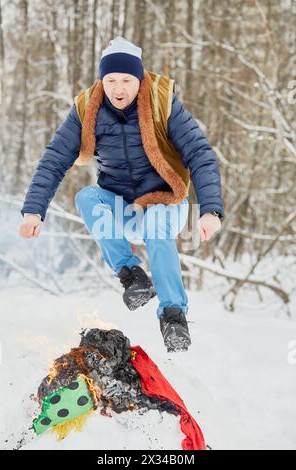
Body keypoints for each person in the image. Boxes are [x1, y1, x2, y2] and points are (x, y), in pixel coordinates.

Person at [20, 36, 223, 353]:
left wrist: (210, 210)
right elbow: (55, 159)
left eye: (127, 80)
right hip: (123, 208)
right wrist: (33, 210)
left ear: (139, 78)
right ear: (102, 80)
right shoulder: (88, 108)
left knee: (157, 223)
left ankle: (173, 317)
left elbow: (199, 153)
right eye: (111, 80)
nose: (118, 89)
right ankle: (132, 275)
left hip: (165, 200)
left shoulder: (162, 101)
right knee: (87, 197)